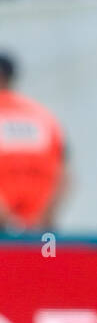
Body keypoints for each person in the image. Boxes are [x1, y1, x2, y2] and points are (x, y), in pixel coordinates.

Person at [0, 54, 67, 233]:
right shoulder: (42, 116)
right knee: (46, 260)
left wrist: (10, 221)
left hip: (5, 229)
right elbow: (64, 175)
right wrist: (42, 218)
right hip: (41, 229)